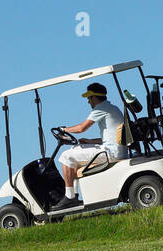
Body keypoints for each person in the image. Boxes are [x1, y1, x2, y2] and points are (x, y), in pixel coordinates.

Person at [51, 82, 129, 211]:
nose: (88, 102)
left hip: (110, 153)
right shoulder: (112, 108)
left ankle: (70, 197)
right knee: (74, 150)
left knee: (66, 156)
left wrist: (64, 129)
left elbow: (82, 128)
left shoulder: (100, 109)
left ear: (94, 97)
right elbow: (109, 137)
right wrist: (90, 141)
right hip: (114, 150)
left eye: (89, 98)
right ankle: (73, 196)